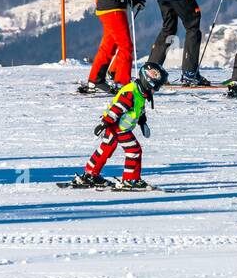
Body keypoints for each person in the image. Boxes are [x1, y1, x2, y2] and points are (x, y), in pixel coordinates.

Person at [71, 62, 167, 190]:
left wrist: (142, 121)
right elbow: (117, 109)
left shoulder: (140, 92)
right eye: (157, 87)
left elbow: (139, 108)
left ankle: (90, 174)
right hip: (118, 126)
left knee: (106, 148)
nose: (156, 91)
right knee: (134, 150)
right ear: (148, 81)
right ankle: (130, 179)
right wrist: (104, 123)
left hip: (116, 125)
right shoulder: (130, 92)